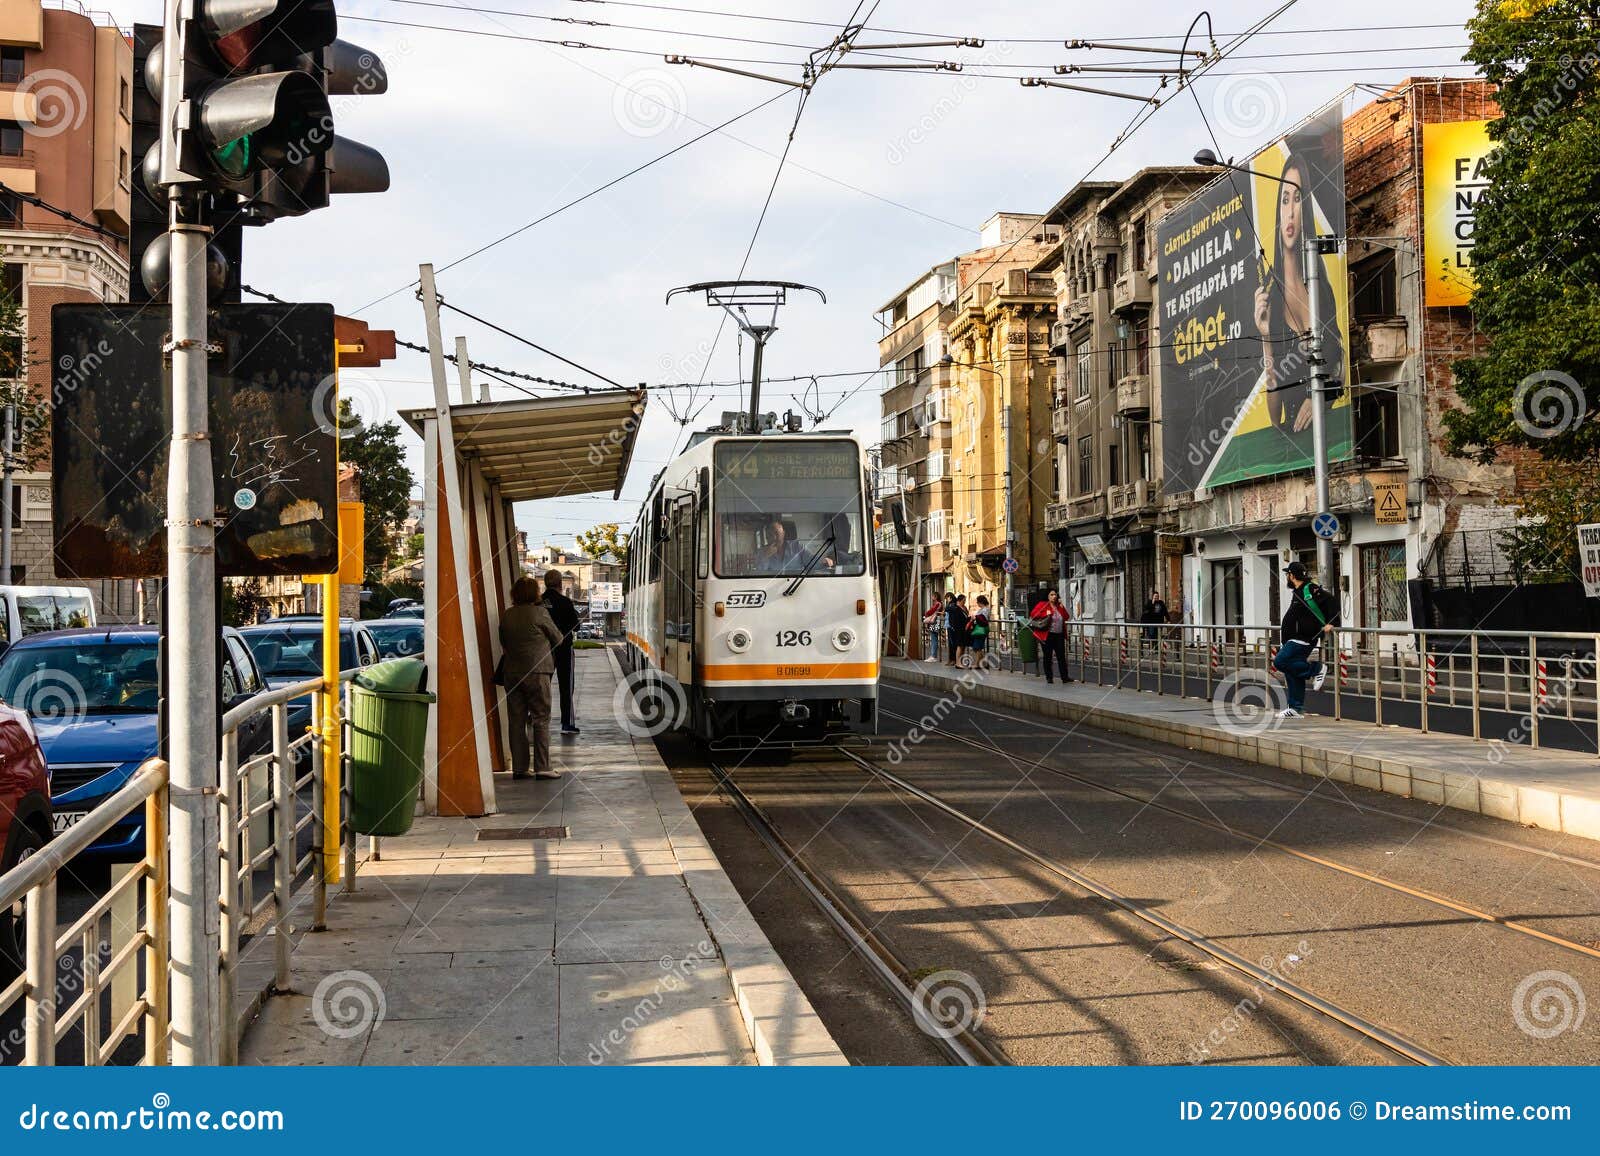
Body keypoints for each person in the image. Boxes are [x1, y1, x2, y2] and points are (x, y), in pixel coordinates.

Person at [1253, 151, 1342, 439]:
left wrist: (1320, 396)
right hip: (1294, 445)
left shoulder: (1321, 287)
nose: (1290, 210)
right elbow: (1275, 417)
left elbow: (1340, 365)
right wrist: (1266, 338)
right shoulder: (1272, 302)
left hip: (1332, 439)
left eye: (1298, 198)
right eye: (1284, 199)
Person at [500, 577, 564, 779]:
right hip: (537, 673)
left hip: (512, 673)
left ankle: (519, 768)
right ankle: (543, 767)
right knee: (540, 718)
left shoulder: (507, 615)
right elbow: (558, 638)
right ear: (535, 593)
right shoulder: (540, 613)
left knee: (516, 720)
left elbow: (503, 642)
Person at [1272, 560, 1339, 719]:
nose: (1287, 577)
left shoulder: (1309, 588)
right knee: (1292, 671)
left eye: (1288, 574)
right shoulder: (1298, 591)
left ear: (1292, 575)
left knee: (1280, 662)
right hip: (1293, 639)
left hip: (1303, 638)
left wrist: (1332, 623)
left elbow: (1332, 601)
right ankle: (1295, 708)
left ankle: (1316, 669)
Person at [543, 569, 581, 734]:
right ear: (560, 584)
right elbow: (576, 626)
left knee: (543, 686)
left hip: (543, 651)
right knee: (566, 686)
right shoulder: (565, 602)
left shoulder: (538, 602)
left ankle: (537, 718)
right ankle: (567, 723)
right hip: (564, 649)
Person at [1030, 589, 1070, 684]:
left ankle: (1065, 677)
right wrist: (1047, 613)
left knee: (1061, 656)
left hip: (1059, 634)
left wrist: (1062, 606)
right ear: (1047, 596)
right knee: (1047, 657)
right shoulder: (1043, 604)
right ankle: (1049, 677)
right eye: (1052, 594)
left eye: (1055, 594)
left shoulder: (1058, 606)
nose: (1054, 596)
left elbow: (1066, 617)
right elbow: (1033, 614)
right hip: (1047, 635)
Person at [966, 595, 991, 667]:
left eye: (977, 602)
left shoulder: (985, 609)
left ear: (981, 602)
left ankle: (977, 664)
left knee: (977, 647)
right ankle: (983, 663)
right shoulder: (983, 609)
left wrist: (975, 618)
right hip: (979, 629)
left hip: (980, 629)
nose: (977, 604)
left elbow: (983, 620)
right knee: (977, 647)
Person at [946, 593, 968, 667]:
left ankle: (960, 661)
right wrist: (953, 627)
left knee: (962, 645)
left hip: (962, 629)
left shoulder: (963, 608)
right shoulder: (955, 607)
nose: (965, 602)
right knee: (958, 645)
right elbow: (953, 618)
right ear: (960, 600)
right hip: (958, 629)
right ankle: (957, 662)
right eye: (964, 600)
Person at [923, 595, 945, 662]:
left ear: (936, 597)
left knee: (934, 638)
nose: (932, 597)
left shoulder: (938, 604)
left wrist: (927, 614)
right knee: (933, 638)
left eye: (933, 596)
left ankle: (933, 656)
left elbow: (931, 611)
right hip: (935, 621)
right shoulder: (938, 604)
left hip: (935, 621)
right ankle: (933, 655)